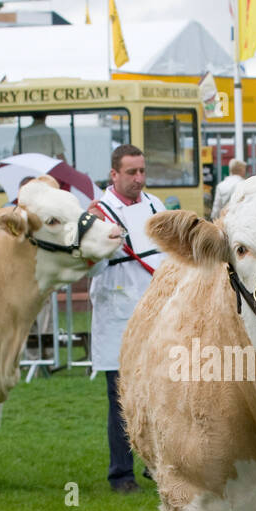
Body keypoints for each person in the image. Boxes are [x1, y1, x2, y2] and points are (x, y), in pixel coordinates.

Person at [89, 144, 165, 493]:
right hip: (118, 313)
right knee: (122, 397)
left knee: (163, 393)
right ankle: (121, 473)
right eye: (131, 172)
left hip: (158, 310)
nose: (139, 179)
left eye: (142, 171)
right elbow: (91, 266)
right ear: (114, 175)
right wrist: (104, 243)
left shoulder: (154, 205)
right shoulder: (97, 213)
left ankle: (158, 463)